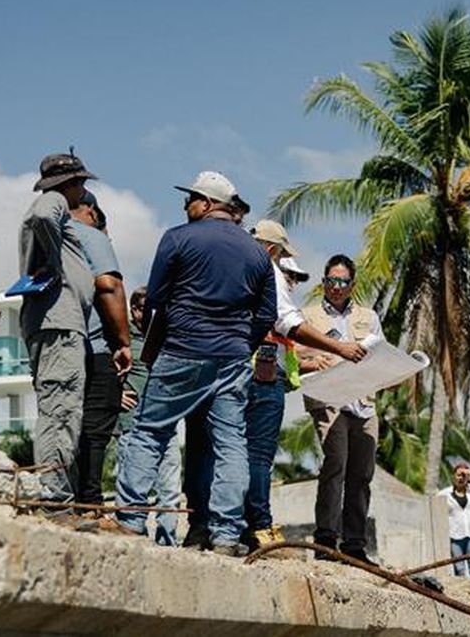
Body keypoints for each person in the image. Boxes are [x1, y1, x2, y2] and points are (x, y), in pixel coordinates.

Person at [114, 171, 275, 556]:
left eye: (189, 200)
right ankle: (224, 535)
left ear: (205, 203)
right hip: (233, 358)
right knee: (231, 443)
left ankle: (131, 520)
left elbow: (154, 299)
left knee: (150, 431)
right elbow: (267, 315)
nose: (185, 207)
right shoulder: (257, 252)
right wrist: (240, 343)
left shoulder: (178, 238)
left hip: (182, 351)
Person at [235, 221, 366, 551]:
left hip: (247, 370)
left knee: (234, 450)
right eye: (290, 275)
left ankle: (231, 523)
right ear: (272, 252)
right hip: (263, 376)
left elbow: (290, 352)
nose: (291, 283)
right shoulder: (269, 275)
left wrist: (304, 363)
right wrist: (336, 349)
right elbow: (288, 324)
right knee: (259, 454)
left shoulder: (233, 268)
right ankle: (259, 525)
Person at [19, 151, 95, 505]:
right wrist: (55, 261)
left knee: (61, 409)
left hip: (55, 322)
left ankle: (58, 495)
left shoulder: (55, 203)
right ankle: (53, 498)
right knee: (60, 410)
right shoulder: (54, 200)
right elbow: (41, 216)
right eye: (81, 183)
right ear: (72, 183)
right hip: (59, 323)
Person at [301, 254, 384, 565]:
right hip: (328, 401)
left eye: (343, 282)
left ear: (352, 285)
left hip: (363, 403)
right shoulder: (306, 315)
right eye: (331, 281)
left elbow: (379, 352)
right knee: (335, 465)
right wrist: (312, 361)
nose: (336, 287)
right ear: (324, 282)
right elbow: (293, 355)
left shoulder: (368, 316)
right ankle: (325, 540)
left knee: (361, 474)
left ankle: (354, 545)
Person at [67, 189, 132, 507]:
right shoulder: (90, 235)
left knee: (67, 426)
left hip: (59, 349)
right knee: (95, 429)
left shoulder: (44, 238)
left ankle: (69, 499)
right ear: (91, 212)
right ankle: (90, 504)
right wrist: (123, 342)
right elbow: (109, 284)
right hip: (95, 347)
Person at [122, 286, 182, 546]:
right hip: (131, 425)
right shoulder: (121, 337)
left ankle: (167, 542)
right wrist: (115, 394)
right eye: (146, 309)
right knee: (135, 487)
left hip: (166, 425)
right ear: (134, 310)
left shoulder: (166, 338)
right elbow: (102, 368)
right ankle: (136, 538)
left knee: (169, 489)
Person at [437, 462, 470, 579]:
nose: (461, 478)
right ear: (453, 476)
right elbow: (434, 504)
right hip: (455, 536)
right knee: (459, 569)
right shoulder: (445, 494)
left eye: (464, 475)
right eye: (458, 475)